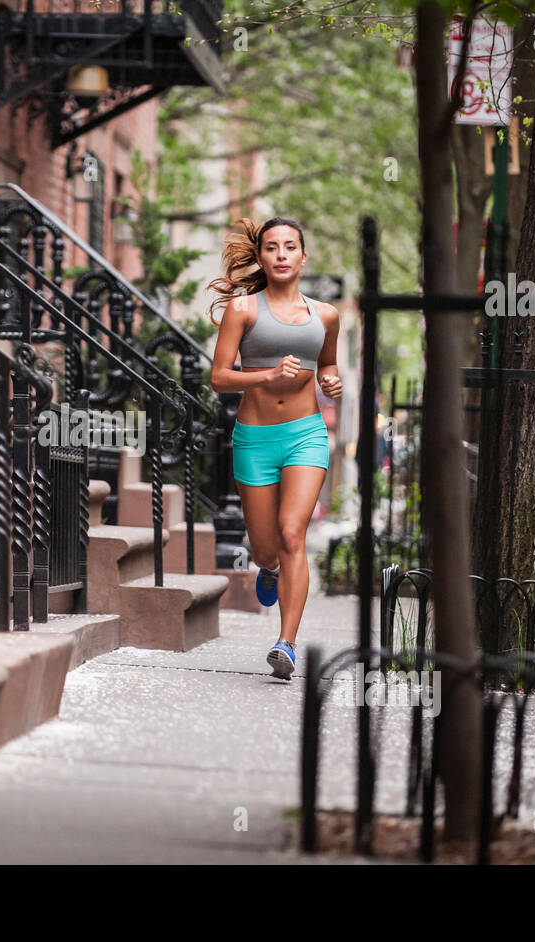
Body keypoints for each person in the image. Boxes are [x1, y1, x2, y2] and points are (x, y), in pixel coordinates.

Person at [207, 217, 342, 680]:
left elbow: (327, 366)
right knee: (267, 550)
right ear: (261, 257)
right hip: (255, 438)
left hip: (305, 433)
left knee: (291, 534)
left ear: (303, 257)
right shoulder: (243, 310)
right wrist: (266, 375)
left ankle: (286, 642)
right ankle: (267, 569)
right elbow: (219, 378)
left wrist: (330, 379)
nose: (281, 254)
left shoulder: (325, 315)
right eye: (272, 247)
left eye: (290, 247)